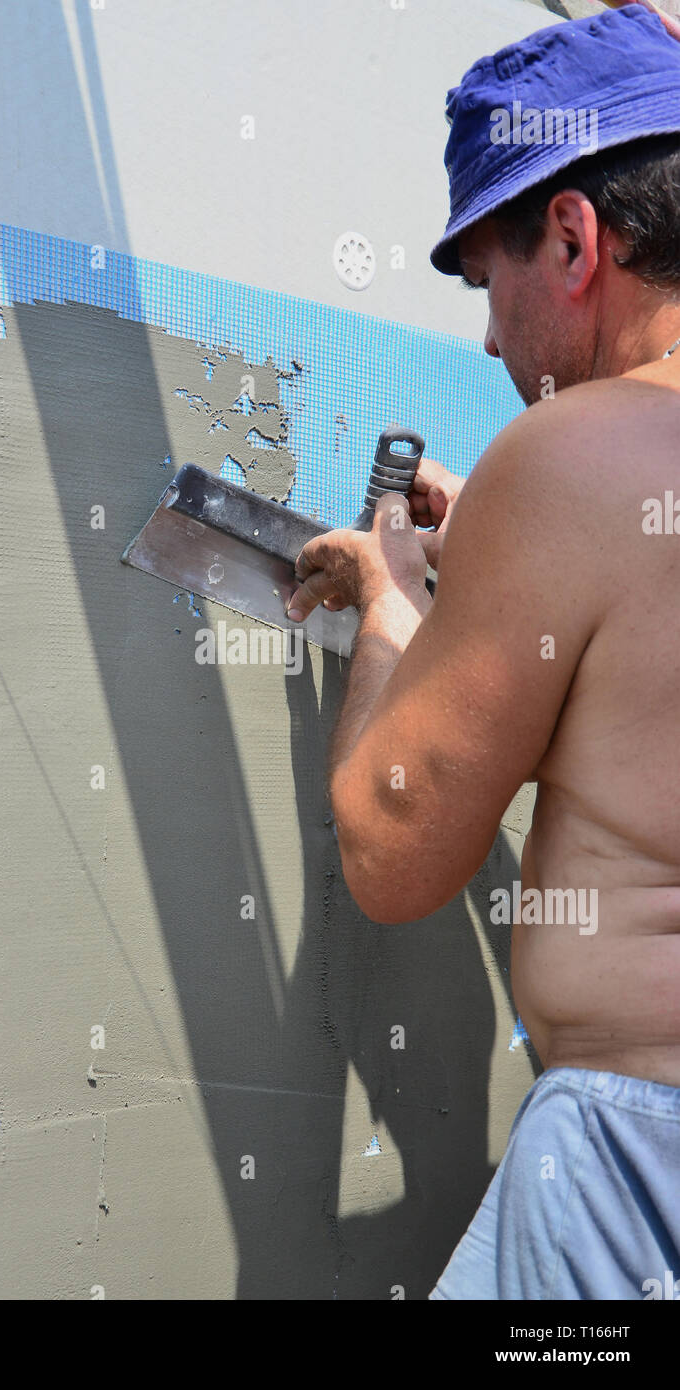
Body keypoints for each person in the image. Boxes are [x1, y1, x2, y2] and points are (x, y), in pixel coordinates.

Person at [284, 5, 680, 1300]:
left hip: (634, 1171)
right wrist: (499, 579)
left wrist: (394, 606)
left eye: (486, 282)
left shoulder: (572, 453)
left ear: (571, 238)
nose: (489, 339)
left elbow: (395, 849)